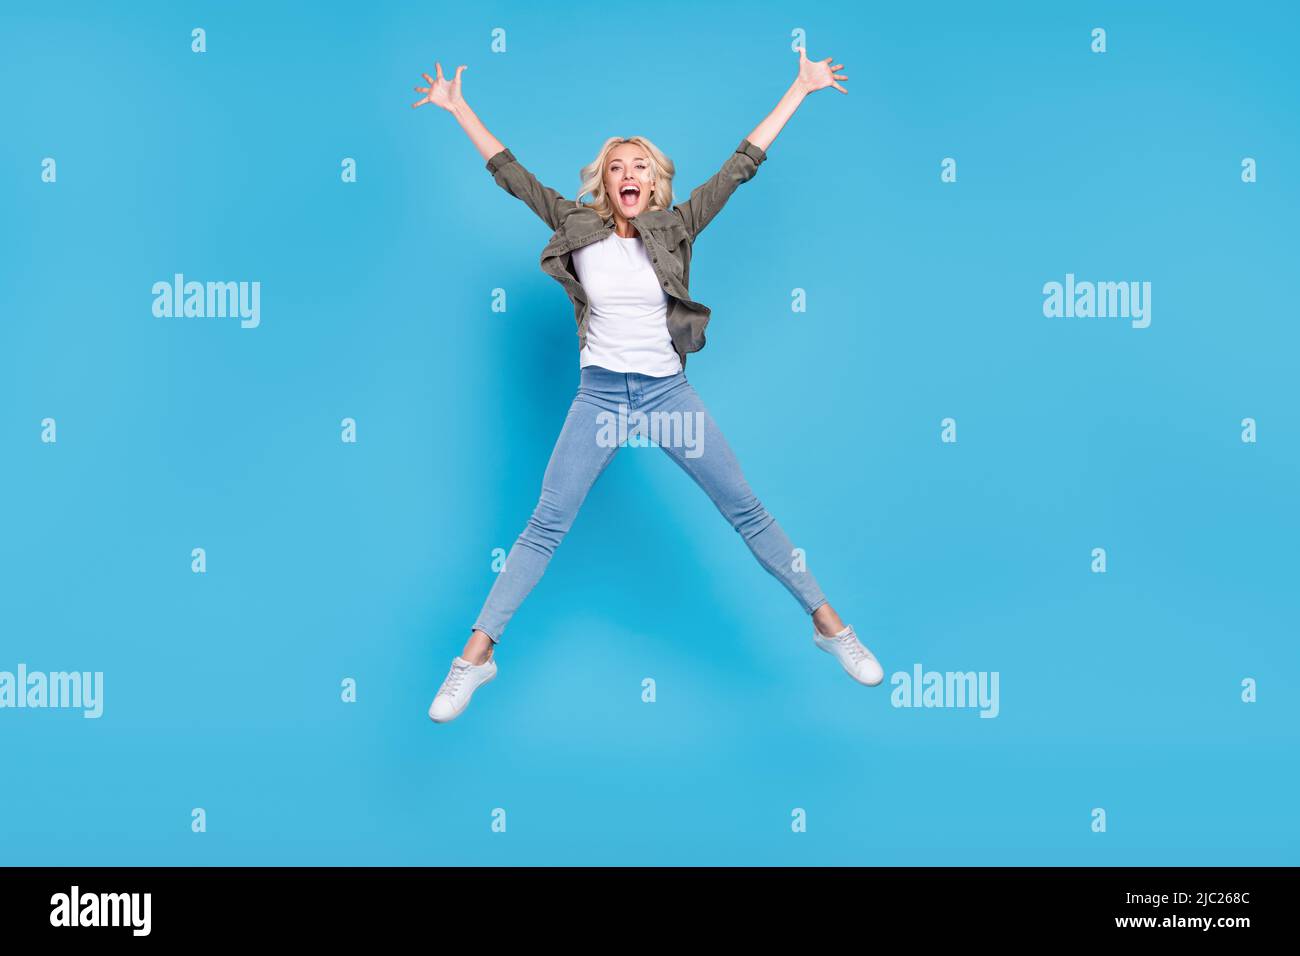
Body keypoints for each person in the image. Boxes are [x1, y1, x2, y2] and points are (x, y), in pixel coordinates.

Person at [412, 47, 884, 723]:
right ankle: (475, 660)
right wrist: (458, 108)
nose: (626, 172)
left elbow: (741, 165)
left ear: (654, 182)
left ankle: (832, 628)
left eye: (639, 164)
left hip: (667, 397)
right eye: (615, 165)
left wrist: (802, 87)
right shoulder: (574, 225)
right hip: (601, 396)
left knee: (745, 508)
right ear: (602, 183)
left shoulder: (677, 227)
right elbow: (510, 175)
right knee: (546, 523)